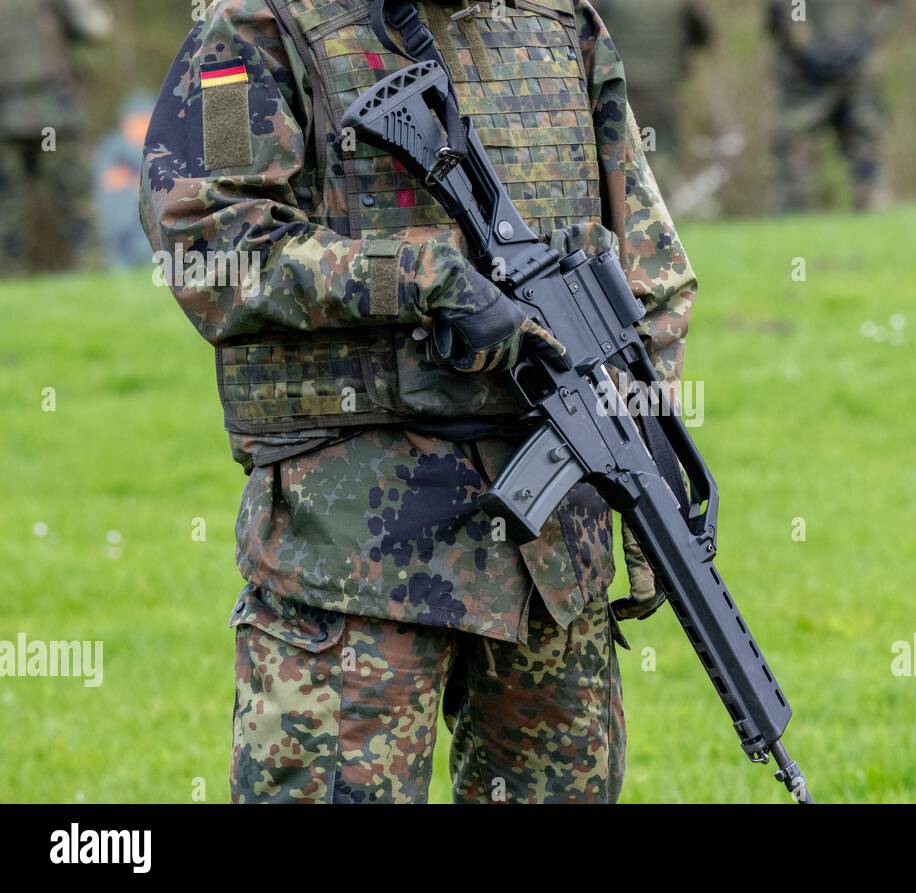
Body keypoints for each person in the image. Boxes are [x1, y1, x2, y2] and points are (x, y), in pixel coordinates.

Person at [139, 0, 695, 804]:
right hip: (356, 555)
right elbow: (208, 244)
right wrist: (418, 278)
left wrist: (649, 483)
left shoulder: (562, 25)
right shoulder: (254, 30)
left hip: (552, 557)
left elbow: (649, 276)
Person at [0, 0, 112, 274]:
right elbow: (96, 27)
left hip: (13, 117)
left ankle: (8, 278)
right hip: (53, 117)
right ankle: (90, 268)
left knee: (7, 206)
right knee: (72, 198)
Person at [767, 0, 900, 212]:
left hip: (858, 75)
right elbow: (791, 7)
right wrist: (808, 49)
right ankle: (790, 221)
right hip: (804, 77)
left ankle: (875, 216)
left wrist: (862, 44)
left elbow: (884, 7)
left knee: (868, 157)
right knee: (794, 166)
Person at [593, 0, 711, 195]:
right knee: (659, 149)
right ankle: (660, 206)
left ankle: (626, 206)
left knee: (620, 150)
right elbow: (703, 35)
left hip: (621, 87)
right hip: (662, 88)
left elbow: (589, 30)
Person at [95, 93, 155, 268]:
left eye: (145, 120)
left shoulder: (164, 150)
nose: (140, 127)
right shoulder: (112, 150)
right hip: (121, 243)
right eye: (135, 122)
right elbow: (108, 191)